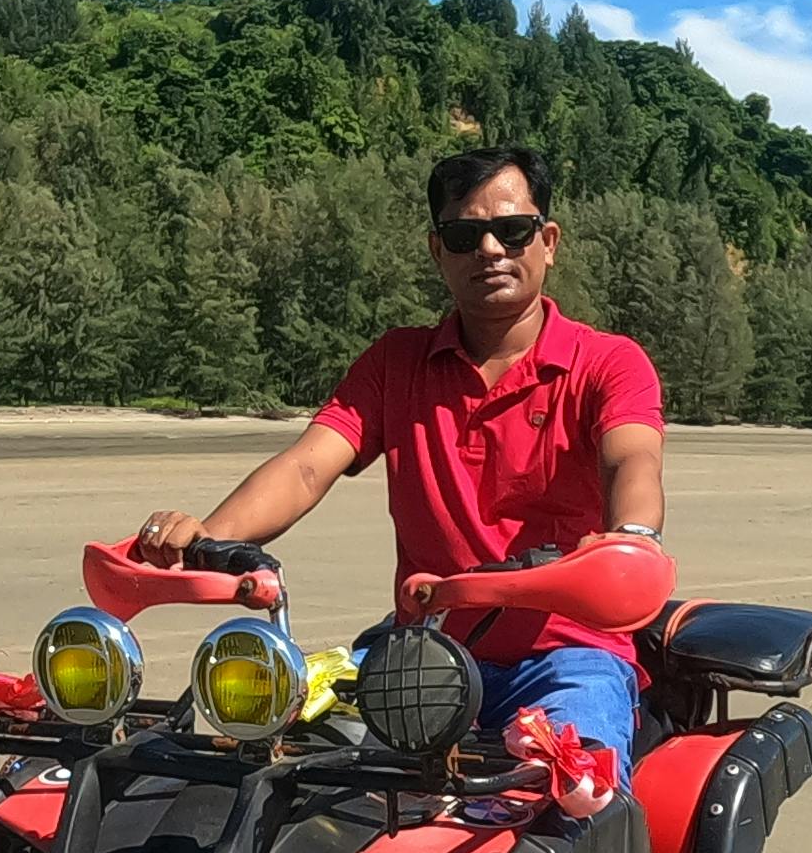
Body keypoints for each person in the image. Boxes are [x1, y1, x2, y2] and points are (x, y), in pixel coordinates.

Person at [131, 148, 668, 756]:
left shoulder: (606, 362)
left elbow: (633, 459)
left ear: (547, 241)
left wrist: (633, 539)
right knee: (274, 756)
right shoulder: (396, 363)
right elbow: (308, 465)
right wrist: (209, 539)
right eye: (465, 235)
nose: (489, 250)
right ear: (439, 251)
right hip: (423, 654)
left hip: (565, 655)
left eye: (511, 232)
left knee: (571, 788)